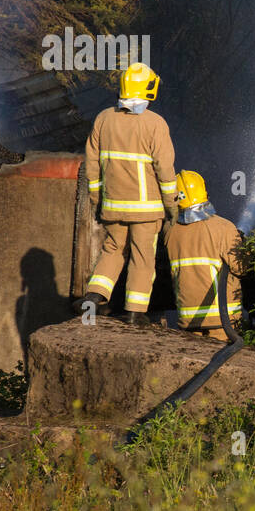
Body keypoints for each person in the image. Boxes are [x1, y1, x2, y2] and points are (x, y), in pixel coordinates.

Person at [83, 63, 179, 325]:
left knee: (113, 249)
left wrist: (96, 201)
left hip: (113, 205)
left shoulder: (103, 118)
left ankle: (94, 296)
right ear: (149, 88)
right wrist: (172, 206)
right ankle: (135, 313)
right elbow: (165, 169)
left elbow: (91, 165)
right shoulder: (155, 124)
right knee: (142, 256)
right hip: (146, 210)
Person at [163, 169, 243, 341]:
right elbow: (242, 267)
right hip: (223, 323)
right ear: (203, 192)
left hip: (188, 322)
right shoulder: (224, 227)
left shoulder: (169, 231)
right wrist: (244, 247)